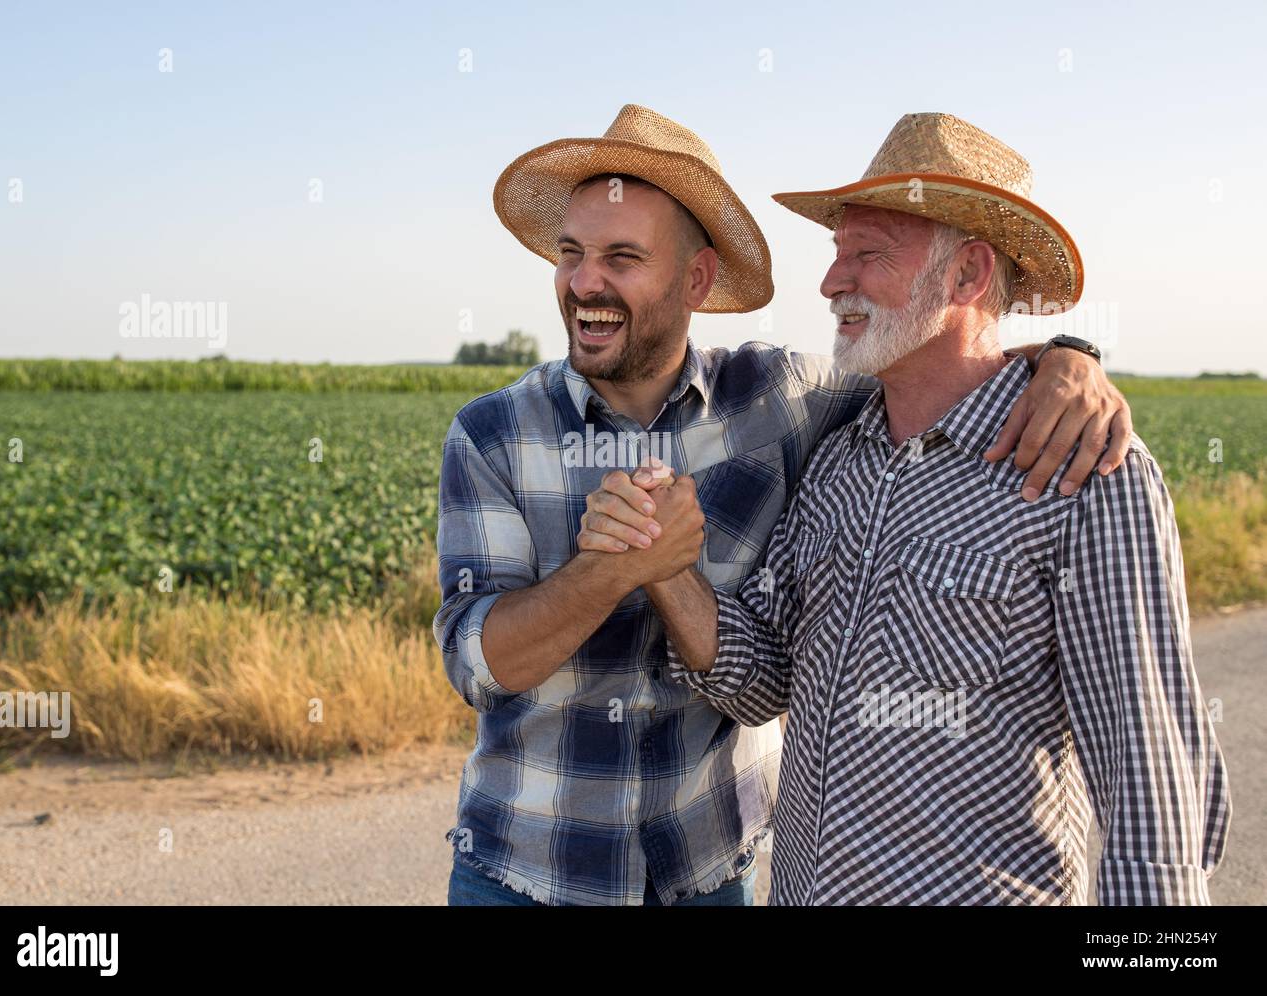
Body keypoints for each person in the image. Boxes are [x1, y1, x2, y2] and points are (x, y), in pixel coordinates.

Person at [436, 106, 1132, 906]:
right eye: (572, 255)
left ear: (696, 281)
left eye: (622, 258)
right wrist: (613, 570)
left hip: (710, 870)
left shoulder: (783, 402)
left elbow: (935, 365)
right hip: (527, 873)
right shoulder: (492, 434)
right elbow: (480, 666)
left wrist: (1065, 360)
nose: (585, 283)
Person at [582, 113, 1230, 905]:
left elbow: (1152, 782)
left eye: (869, 255)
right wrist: (667, 570)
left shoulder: (1086, 475)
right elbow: (768, 682)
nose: (829, 283)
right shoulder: (838, 460)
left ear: (967, 277)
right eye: (837, 254)